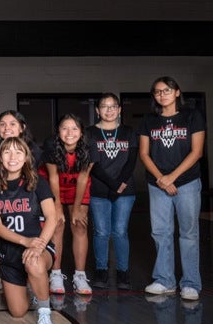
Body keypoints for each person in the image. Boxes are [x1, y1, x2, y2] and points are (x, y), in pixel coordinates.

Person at [138, 76, 205, 301]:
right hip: (158, 185)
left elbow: (196, 152)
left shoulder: (192, 116)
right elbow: (144, 154)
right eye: (157, 92)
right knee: (160, 232)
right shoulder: (149, 120)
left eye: (166, 90)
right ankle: (165, 280)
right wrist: (162, 179)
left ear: (177, 92)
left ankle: (191, 283)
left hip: (186, 183)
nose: (162, 95)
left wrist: (172, 178)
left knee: (188, 233)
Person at [0, 137, 57, 324]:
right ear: (0, 157)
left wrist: (38, 246)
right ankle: (35, 283)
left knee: (33, 263)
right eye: (7, 152)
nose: (12, 157)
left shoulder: (37, 182)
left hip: (39, 248)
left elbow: (52, 218)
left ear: (26, 157)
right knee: (18, 311)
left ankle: (44, 312)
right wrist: (25, 242)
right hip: (11, 252)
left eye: (18, 152)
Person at [87, 94, 138, 290]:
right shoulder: (90, 132)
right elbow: (94, 164)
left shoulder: (128, 132)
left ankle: (123, 272)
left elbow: (131, 161)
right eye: (104, 106)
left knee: (120, 231)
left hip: (125, 191)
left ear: (119, 110)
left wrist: (121, 185)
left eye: (113, 106)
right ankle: (101, 270)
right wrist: (112, 185)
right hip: (99, 190)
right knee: (101, 232)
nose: (109, 110)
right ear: (98, 110)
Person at [43, 114, 93, 296]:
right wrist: (57, 208)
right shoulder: (51, 145)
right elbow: (53, 177)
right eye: (65, 128)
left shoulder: (89, 146)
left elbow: (83, 178)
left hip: (76, 187)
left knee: (79, 225)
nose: (69, 132)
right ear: (58, 131)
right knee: (57, 224)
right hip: (54, 186)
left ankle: (80, 276)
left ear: (81, 132)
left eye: (74, 128)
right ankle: (56, 274)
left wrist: (77, 209)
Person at [0, 110, 43, 178]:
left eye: (12, 124)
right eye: (2, 124)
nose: (7, 128)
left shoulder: (33, 149)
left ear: (22, 128)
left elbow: (31, 173)